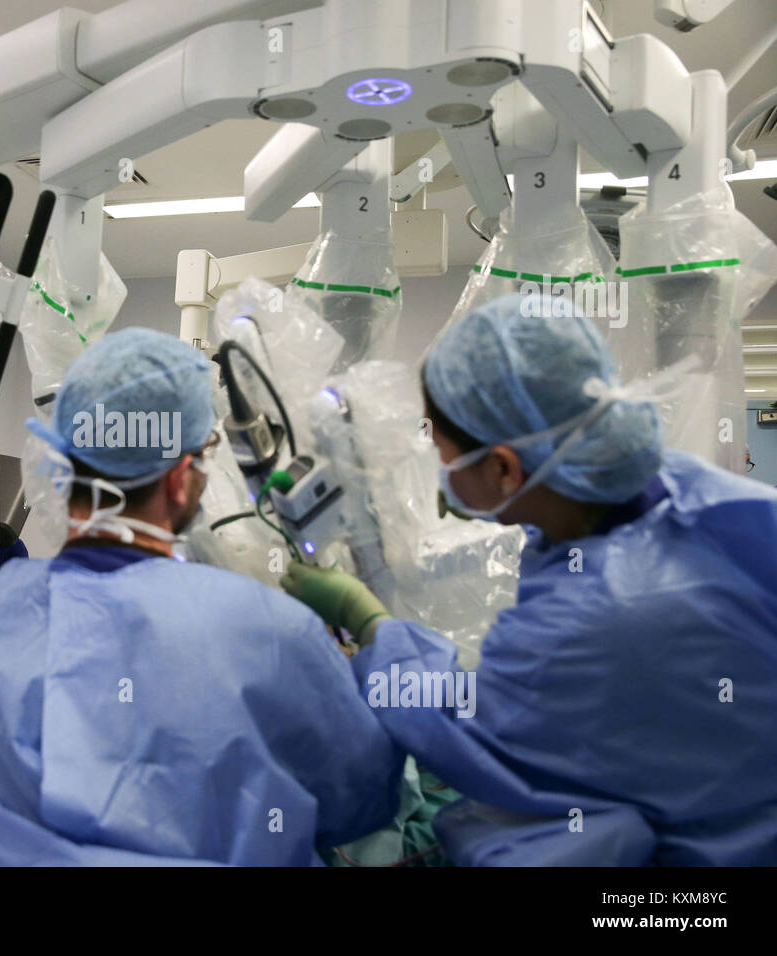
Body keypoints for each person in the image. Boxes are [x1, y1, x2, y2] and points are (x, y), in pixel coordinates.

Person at [282, 293, 777, 865]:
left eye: (442, 454)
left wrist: (370, 622)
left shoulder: (595, 619)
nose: (440, 473)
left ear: (502, 467)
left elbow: (469, 731)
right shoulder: (692, 493)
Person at [0, 327, 402, 865]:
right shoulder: (268, 627)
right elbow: (362, 801)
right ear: (182, 479)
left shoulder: (2, 611)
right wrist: (373, 633)